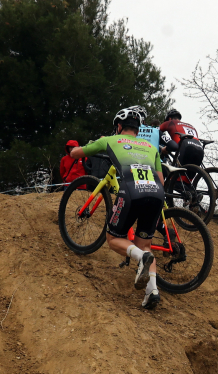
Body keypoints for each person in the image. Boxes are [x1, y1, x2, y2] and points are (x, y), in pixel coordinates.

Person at [69, 106, 166, 309]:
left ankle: (141, 257)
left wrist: (73, 150)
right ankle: (152, 291)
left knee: (113, 239)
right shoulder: (151, 147)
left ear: (119, 126)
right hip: (157, 194)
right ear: (138, 129)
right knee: (145, 244)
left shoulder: (110, 140)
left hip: (132, 191)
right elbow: (161, 180)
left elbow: (77, 153)